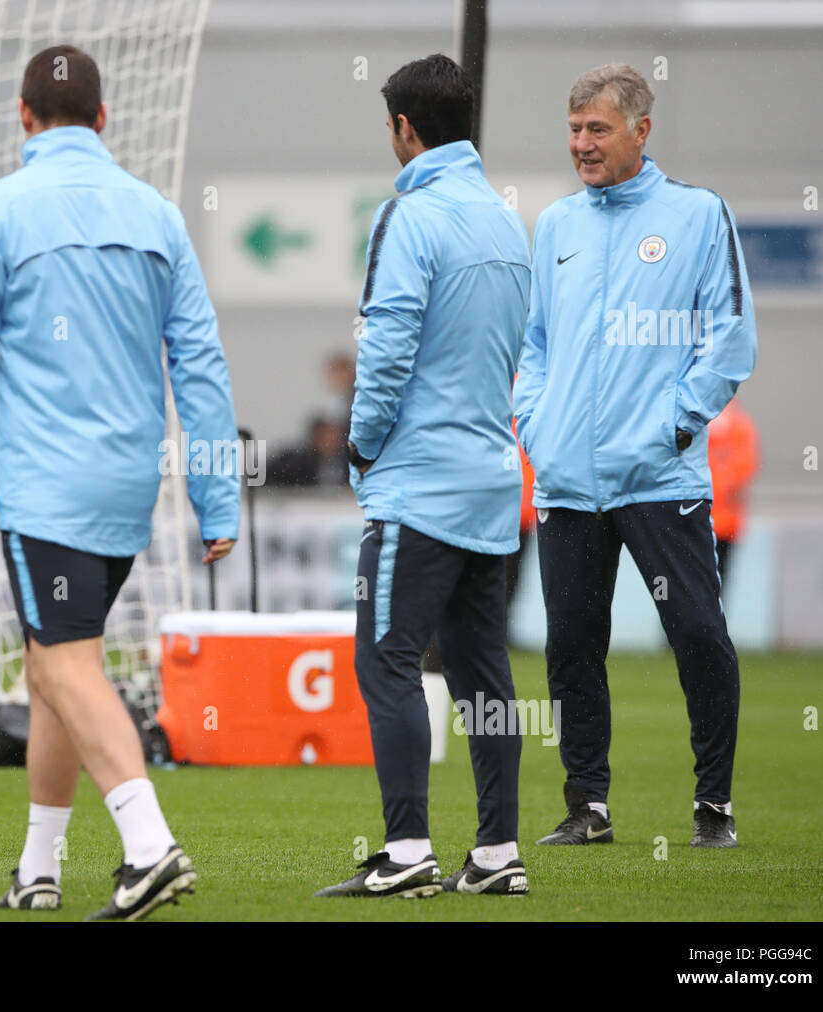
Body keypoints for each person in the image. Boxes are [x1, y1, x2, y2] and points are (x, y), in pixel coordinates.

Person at [0, 45, 239, 919]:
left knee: (64, 664)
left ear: (22, 118)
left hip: (45, 488)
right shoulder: (159, 215)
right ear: (102, 120)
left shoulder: (1, 210)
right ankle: (39, 867)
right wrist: (216, 494)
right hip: (129, 489)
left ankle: (149, 845)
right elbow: (201, 366)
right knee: (53, 665)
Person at [514, 64, 757, 849]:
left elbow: (731, 338)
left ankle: (713, 803)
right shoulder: (555, 225)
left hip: (659, 475)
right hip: (567, 481)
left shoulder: (697, 214)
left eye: (598, 129)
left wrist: (676, 423)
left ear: (640, 131)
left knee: (696, 633)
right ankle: (588, 807)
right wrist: (535, 422)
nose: (582, 144)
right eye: (575, 129)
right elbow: (534, 343)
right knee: (571, 647)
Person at [316, 54, 532, 899]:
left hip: (422, 485)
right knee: (485, 676)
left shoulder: (410, 215)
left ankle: (405, 854)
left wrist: (361, 447)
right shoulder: (509, 221)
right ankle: (497, 853)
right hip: (490, 480)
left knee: (387, 660)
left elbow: (388, 345)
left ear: (405, 128)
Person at [708, 396, 760, 586]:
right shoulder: (739, 426)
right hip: (713, 520)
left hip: (720, 521)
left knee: (711, 580)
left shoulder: (737, 427)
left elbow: (744, 467)